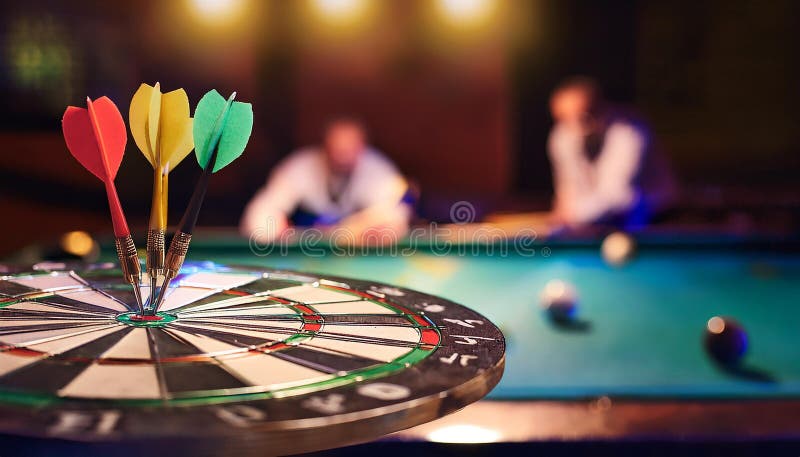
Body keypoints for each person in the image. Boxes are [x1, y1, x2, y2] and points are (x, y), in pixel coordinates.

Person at [240, 118, 411, 243]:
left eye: (349, 151)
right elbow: (260, 213)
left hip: (356, 254)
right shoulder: (298, 167)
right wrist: (272, 229)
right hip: (304, 253)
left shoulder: (378, 170)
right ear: (325, 147)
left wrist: (356, 230)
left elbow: (396, 218)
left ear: (362, 148)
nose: (343, 158)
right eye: (337, 151)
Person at [547, 77, 677, 230]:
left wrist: (573, 213)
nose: (576, 126)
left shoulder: (629, 131)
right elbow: (569, 185)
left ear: (601, 107)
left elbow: (616, 193)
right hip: (596, 218)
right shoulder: (562, 136)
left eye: (584, 116)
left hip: (655, 215)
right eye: (565, 118)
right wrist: (565, 209)